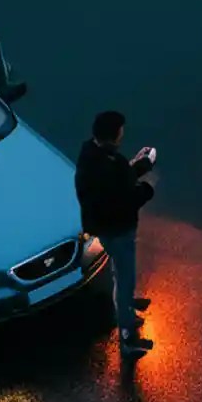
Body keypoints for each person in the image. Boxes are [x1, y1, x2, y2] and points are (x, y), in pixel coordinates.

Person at [75, 110, 157, 356]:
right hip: (118, 230)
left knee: (119, 273)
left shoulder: (91, 155)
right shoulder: (110, 168)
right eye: (121, 130)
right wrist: (146, 190)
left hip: (102, 228)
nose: (124, 133)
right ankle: (127, 336)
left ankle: (128, 313)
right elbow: (126, 198)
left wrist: (136, 167)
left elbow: (120, 179)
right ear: (113, 136)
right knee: (124, 281)